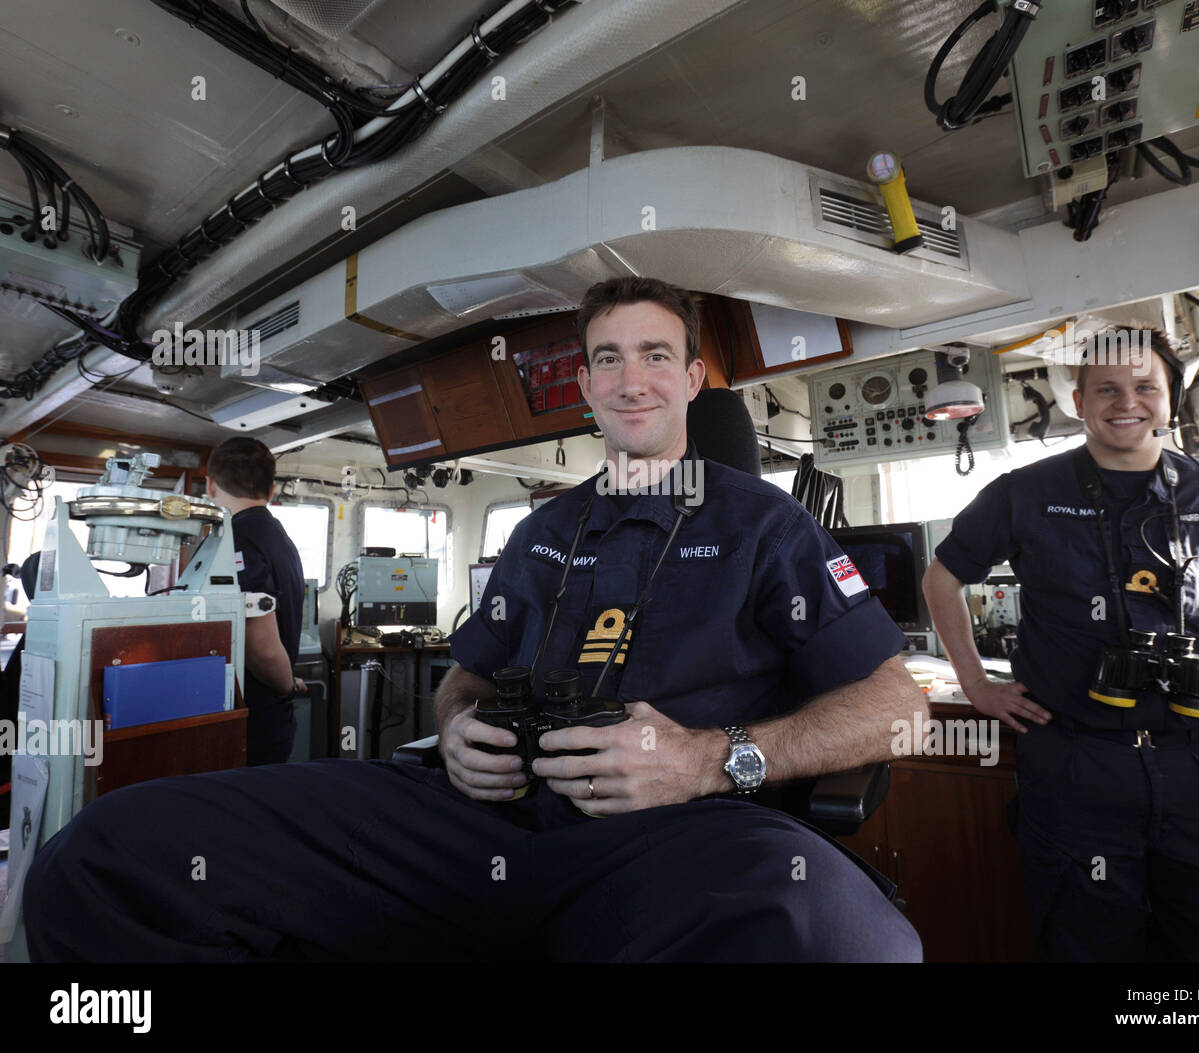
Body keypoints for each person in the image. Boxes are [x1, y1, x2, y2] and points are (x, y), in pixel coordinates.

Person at [22, 276, 926, 963]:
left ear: (693, 376)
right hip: (480, 819)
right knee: (107, 852)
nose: (630, 377)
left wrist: (708, 758)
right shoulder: (542, 531)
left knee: (832, 930)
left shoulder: (767, 526)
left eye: (655, 354)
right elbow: (467, 677)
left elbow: (900, 706)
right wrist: (455, 727)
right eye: (607, 356)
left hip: (677, 830)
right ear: (585, 381)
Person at [921, 328, 1199, 962]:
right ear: (1079, 400)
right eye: (1108, 389)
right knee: (1084, 940)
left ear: (1169, 397)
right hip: (1075, 762)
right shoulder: (1025, 492)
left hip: (1198, 762)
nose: (1128, 402)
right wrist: (977, 685)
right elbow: (942, 575)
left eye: (1146, 386)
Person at [206, 437, 306, 766]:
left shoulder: (237, 539)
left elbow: (260, 645)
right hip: (270, 716)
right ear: (271, 489)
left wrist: (285, 686)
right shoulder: (279, 537)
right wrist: (286, 680)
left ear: (210, 486)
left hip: (253, 718)